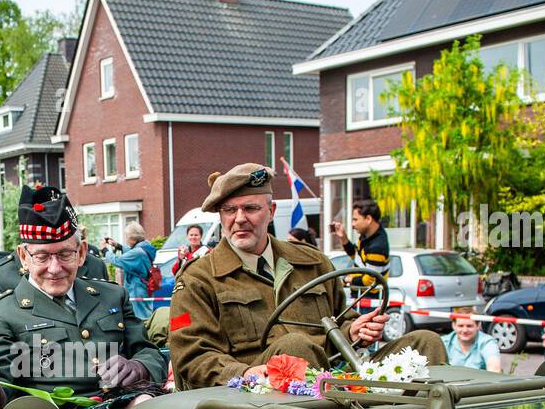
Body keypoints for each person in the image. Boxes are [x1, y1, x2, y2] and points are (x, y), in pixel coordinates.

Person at [170, 164, 446, 389]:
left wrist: (354, 331)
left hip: (335, 378)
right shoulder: (199, 278)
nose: (239, 218)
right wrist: (247, 372)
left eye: (250, 208)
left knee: (425, 343)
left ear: (271, 211)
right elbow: (192, 354)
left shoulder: (312, 262)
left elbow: (342, 319)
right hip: (254, 397)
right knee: (294, 347)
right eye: (230, 210)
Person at [0, 185, 165, 409]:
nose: (55, 268)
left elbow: (148, 351)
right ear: (24, 257)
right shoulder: (4, 313)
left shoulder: (112, 295)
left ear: (82, 253)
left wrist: (139, 366)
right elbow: (4, 397)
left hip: (128, 405)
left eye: (65, 254)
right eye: (42, 257)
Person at [332, 198, 390, 290]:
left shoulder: (377, 247)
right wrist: (343, 238)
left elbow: (369, 281)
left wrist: (346, 279)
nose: (352, 224)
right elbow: (356, 256)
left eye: (355, 220)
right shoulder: (366, 236)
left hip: (369, 297)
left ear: (368, 219)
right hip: (361, 294)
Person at [104, 223, 158, 320]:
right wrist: (118, 246)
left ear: (133, 239)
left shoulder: (137, 253)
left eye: (127, 237)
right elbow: (132, 251)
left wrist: (105, 251)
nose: (126, 239)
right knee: (145, 312)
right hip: (144, 286)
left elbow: (118, 261)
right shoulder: (146, 246)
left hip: (136, 288)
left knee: (139, 317)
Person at [440, 307, 502, 372]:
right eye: (460, 326)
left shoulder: (487, 342)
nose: (465, 330)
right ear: (454, 326)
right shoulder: (444, 342)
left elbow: (495, 369)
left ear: (478, 326)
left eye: (469, 326)